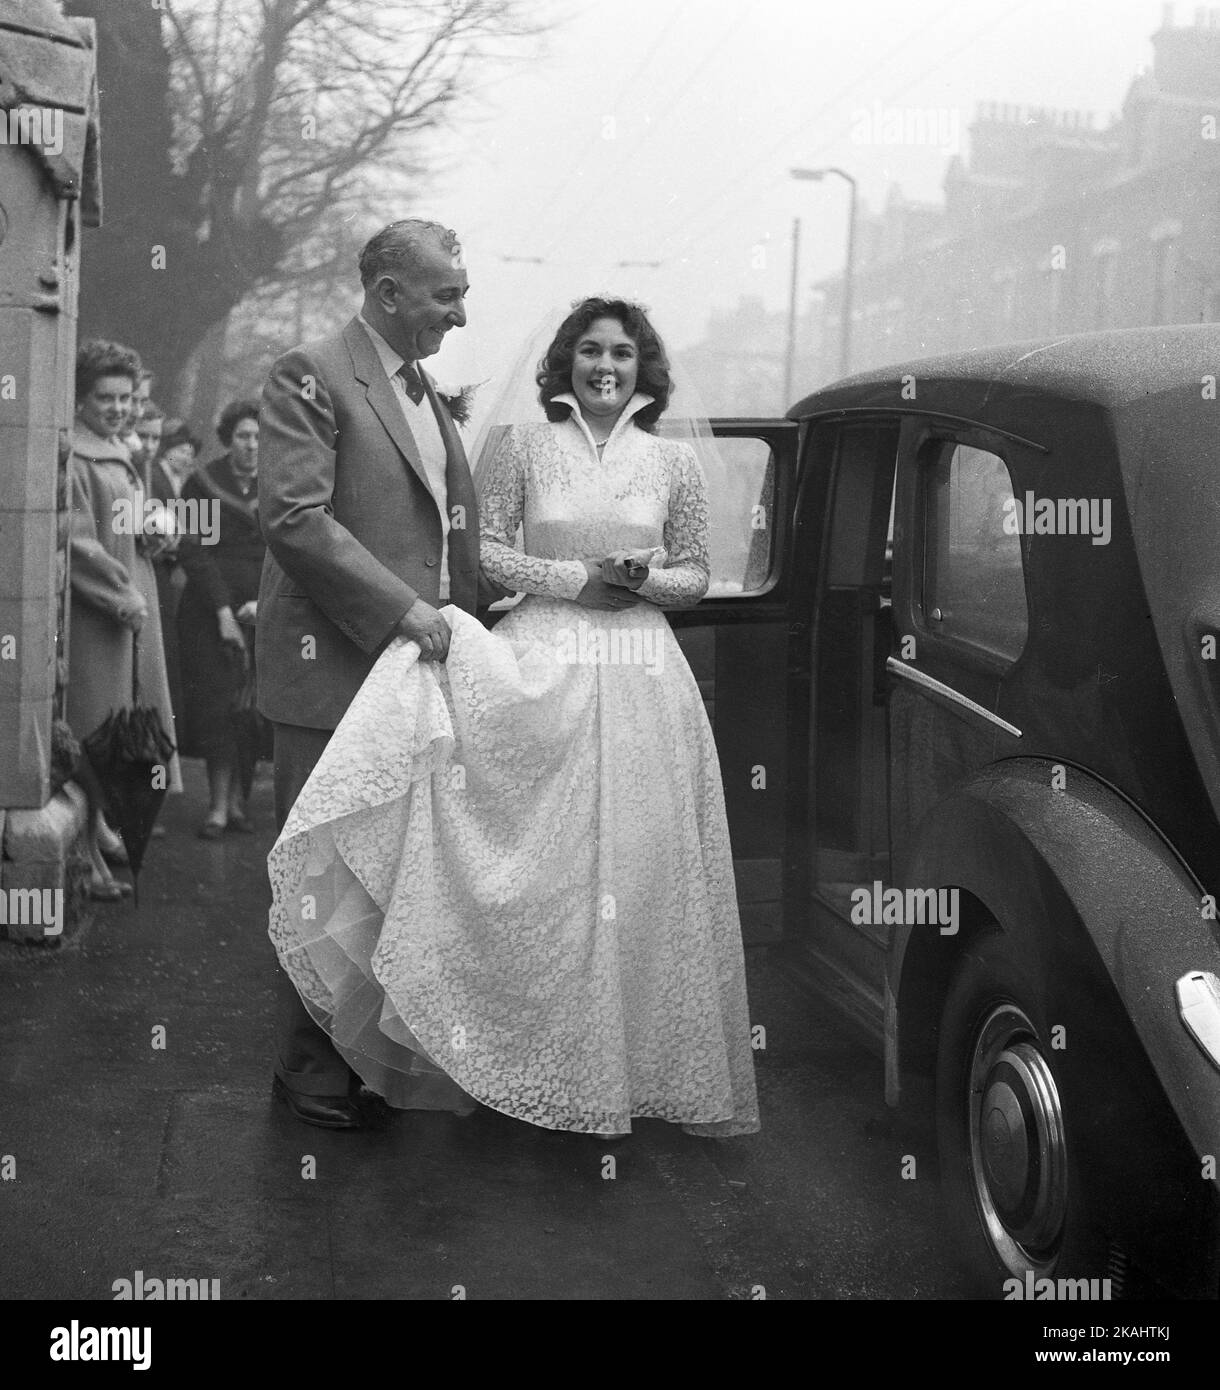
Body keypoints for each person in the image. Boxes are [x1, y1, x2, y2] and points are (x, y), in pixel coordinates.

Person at [267, 296, 760, 1138]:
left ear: (646, 370)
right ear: (566, 363)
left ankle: (614, 1062)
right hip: (543, 661)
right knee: (542, 865)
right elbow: (488, 549)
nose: (606, 368)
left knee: (635, 867)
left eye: (624, 355)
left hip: (643, 679)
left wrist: (643, 580)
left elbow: (695, 575)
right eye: (591, 352)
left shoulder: (670, 464)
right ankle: (511, 1050)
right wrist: (576, 580)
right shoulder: (526, 446)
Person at [258, 218, 492, 1129]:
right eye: (448, 295)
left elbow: (446, 534)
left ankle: (361, 1055)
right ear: (389, 293)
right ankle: (306, 1066)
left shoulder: (425, 393)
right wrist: (403, 610)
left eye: (462, 294)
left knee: (382, 878)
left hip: (408, 674)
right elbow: (295, 518)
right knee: (315, 871)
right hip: (329, 676)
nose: (462, 314)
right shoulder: (310, 372)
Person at [66, 340, 182, 887]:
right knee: (96, 728)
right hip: (101, 617)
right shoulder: (76, 457)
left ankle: (100, 836)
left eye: (124, 397)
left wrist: (152, 536)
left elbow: (122, 524)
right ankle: (87, 856)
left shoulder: (115, 451)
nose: (117, 408)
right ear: (82, 399)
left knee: (119, 727)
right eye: (104, 397)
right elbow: (76, 543)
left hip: (133, 609)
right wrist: (120, 594)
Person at [177, 401, 267, 837]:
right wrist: (224, 613)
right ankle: (216, 805)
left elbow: (284, 553)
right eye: (244, 436)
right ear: (229, 439)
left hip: (260, 614)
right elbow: (194, 550)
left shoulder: (279, 487)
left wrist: (263, 604)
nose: (252, 445)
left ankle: (237, 804)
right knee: (219, 708)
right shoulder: (203, 483)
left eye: (259, 437)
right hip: (208, 614)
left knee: (250, 712)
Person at [145, 419, 200, 737]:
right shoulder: (155, 477)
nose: (188, 458)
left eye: (191, 452)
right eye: (183, 451)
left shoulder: (177, 481)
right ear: (168, 452)